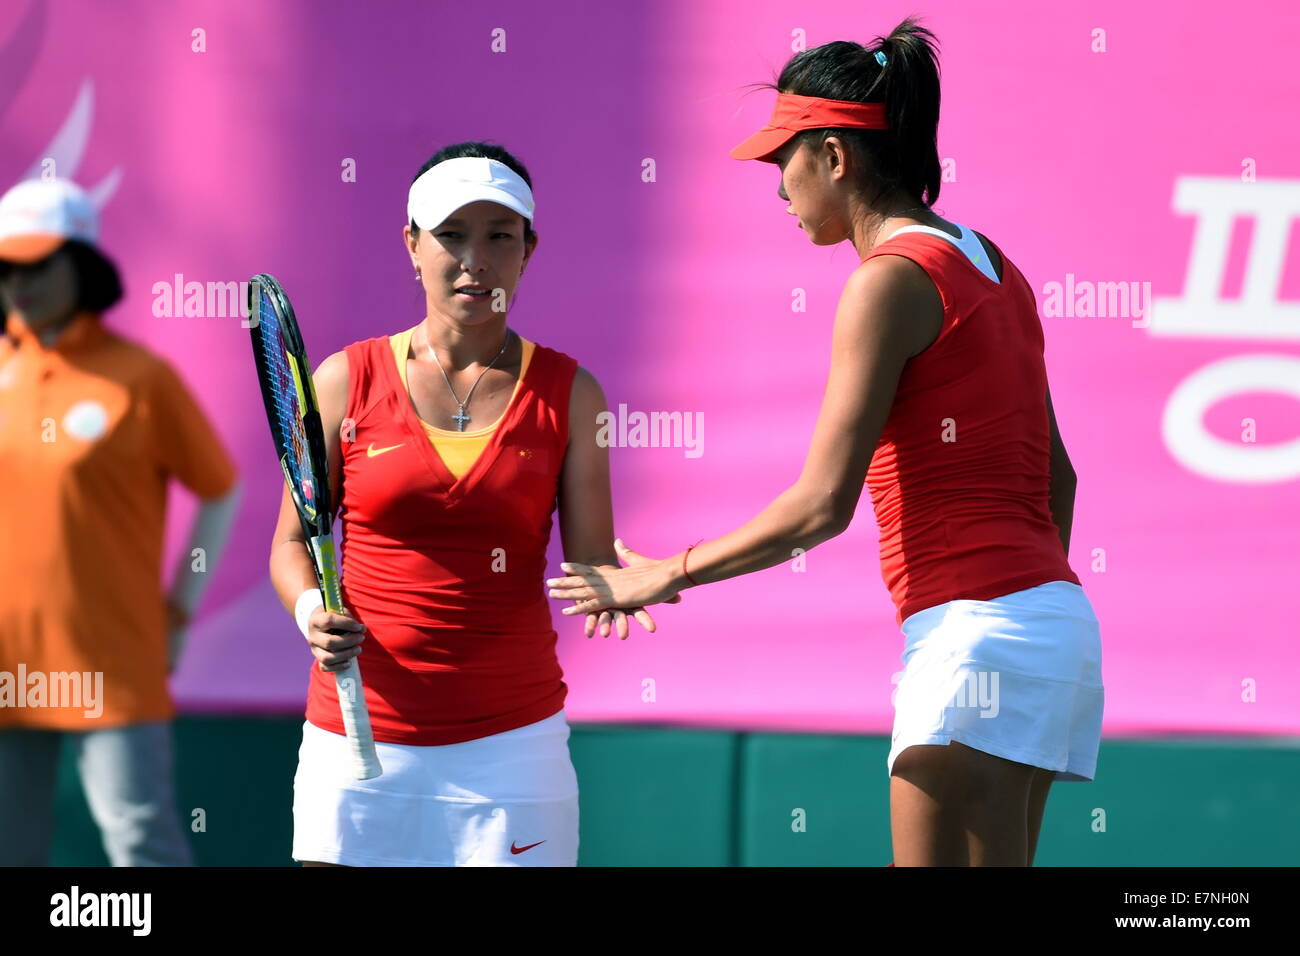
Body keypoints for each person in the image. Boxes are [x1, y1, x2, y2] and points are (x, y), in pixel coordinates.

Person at [545, 19, 1104, 867]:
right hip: (1053, 626)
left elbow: (819, 508)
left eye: (785, 159)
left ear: (836, 158)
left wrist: (663, 573)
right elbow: (1058, 477)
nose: (778, 186)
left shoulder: (885, 284)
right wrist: (1015, 613)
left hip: (974, 638)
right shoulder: (993, 262)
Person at [271, 142, 665, 867]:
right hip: (353, 742)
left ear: (528, 251)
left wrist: (620, 584)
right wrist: (310, 615)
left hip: (512, 749)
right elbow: (294, 544)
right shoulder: (342, 381)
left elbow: (588, 561)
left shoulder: (572, 395)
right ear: (412, 246)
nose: (474, 260)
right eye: (451, 235)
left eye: (499, 237)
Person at [0, 177, 240, 866]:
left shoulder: (140, 378)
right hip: (5, 665)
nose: (20, 284)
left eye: (38, 265)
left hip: (113, 661)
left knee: (143, 844)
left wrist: (178, 611)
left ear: (83, 267)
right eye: (6, 268)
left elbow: (219, 488)